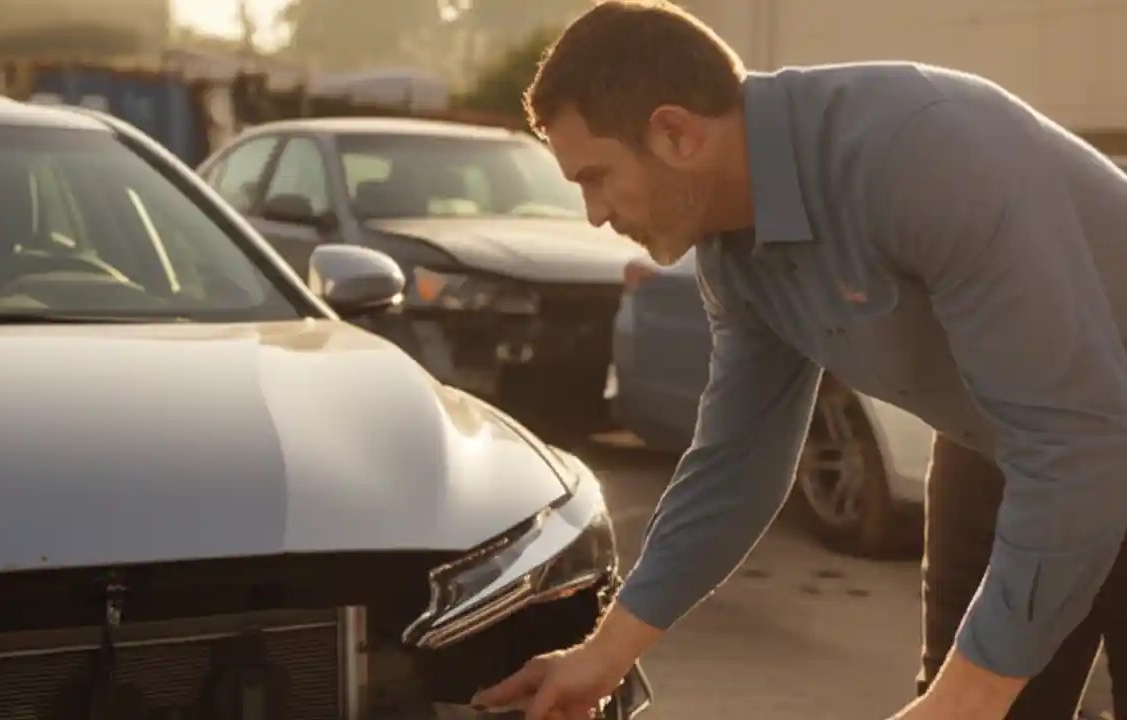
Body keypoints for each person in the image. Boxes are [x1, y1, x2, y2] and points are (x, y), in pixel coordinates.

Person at [469, 1, 1127, 719]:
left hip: (1080, 438)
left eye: (594, 178)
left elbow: (1078, 448)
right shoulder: (733, 249)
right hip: (1005, 448)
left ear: (675, 134)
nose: (594, 213)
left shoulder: (919, 150)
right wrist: (602, 656)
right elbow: (736, 465)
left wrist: (961, 702)